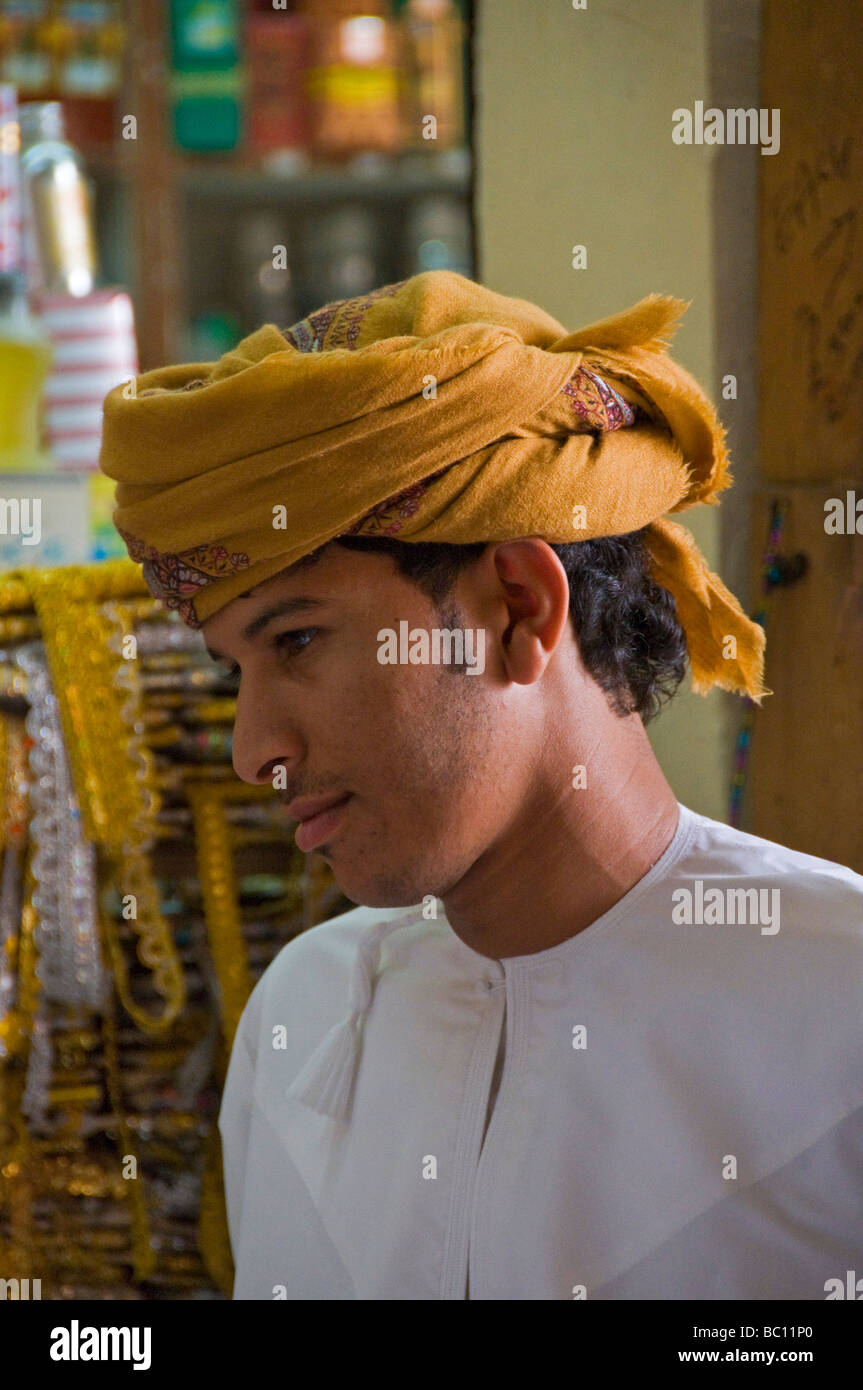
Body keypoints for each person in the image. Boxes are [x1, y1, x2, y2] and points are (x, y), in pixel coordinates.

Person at [99, 271, 863, 1300]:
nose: (252, 748)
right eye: (236, 670)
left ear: (516, 604)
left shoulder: (835, 1004)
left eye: (297, 639)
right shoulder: (305, 1016)